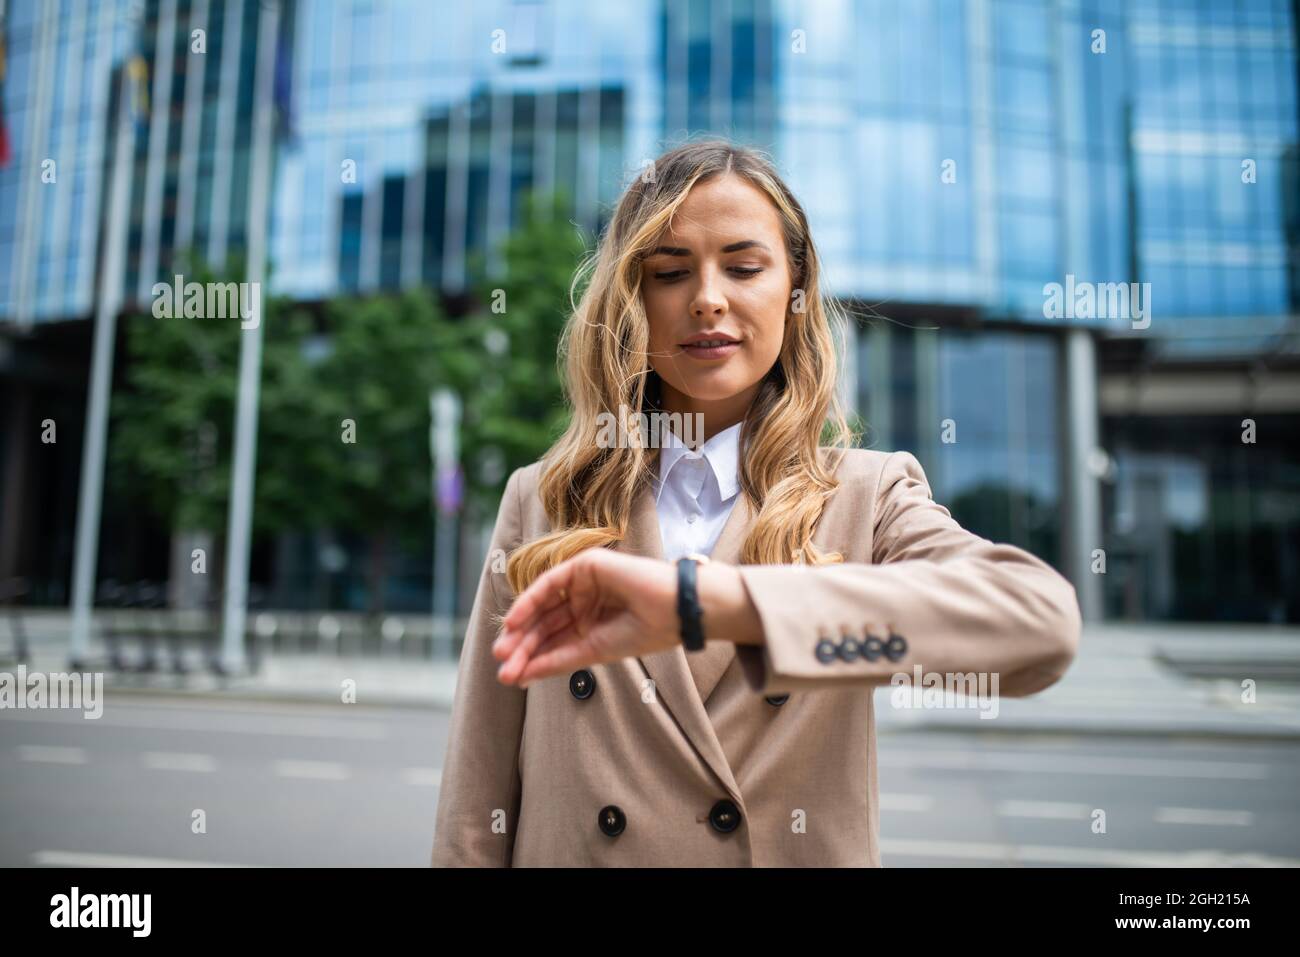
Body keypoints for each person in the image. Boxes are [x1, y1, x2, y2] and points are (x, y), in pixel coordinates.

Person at [430, 139, 1081, 867]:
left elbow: (1040, 625)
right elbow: (473, 811)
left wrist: (715, 606)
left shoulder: (865, 496)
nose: (708, 297)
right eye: (671, 272)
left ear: (794, 290)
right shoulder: (543, 500)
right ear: (631, 299)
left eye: (744, 267)